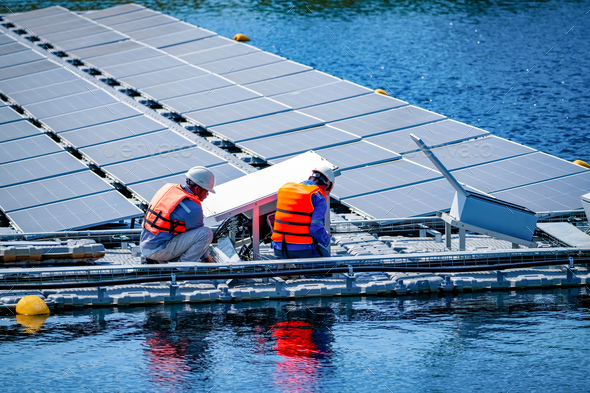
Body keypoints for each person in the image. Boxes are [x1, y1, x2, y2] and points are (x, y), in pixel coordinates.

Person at [140, 166, 216, 263]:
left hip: (145, 244)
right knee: (206, 233)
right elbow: (201, 238)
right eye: (207, 190)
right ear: (197, 189)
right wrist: (210, 262)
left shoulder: (170, 190)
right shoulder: (193, 208)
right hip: (157, 250)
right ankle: (181, 268)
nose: (207, 194)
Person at [271, 164, 335, 259]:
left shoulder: (286, 189)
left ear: (309, 177)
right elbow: (315, 229)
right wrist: (326, 238)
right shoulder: (318, 196)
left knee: (290, 272)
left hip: (279, 249)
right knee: (332, 268)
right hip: (302, 249)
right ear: (327, 187)